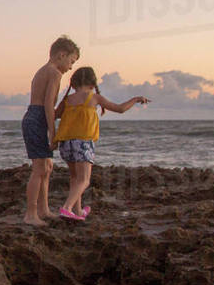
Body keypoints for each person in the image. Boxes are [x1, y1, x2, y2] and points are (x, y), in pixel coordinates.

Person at [52, 66, 149, 220]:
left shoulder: (67, 99)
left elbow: (55, 115)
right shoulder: (94, 97)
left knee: (75, 179)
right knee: (84, 180)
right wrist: (136, 99)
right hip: (83, 142)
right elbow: (120, 109)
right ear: (92, 84)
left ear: (74, 83)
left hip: (66, 142)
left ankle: (77, 212)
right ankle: (66, 207)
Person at [21, 35, 79, 226]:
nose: (71, 67)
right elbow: (47, 105)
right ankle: (31, 214)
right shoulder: (54, 73)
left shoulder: (43, 71)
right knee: (39, 169)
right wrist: (53, 134)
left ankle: (43, 210)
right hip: (37, 118)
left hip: (34, 117)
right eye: (71, 61)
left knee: (47, 167)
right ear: (61, 55)